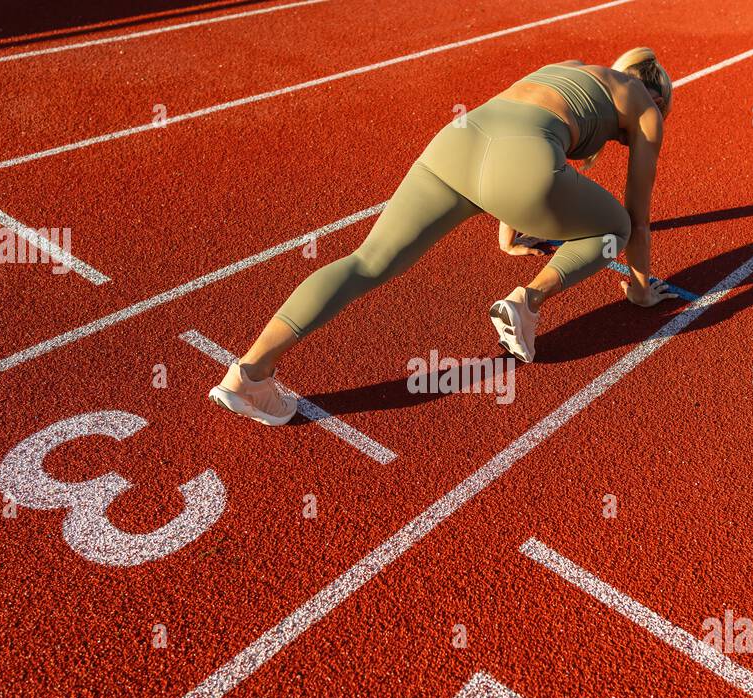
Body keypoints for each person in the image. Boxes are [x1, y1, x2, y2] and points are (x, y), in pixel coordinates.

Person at [210, 47, 678, 425]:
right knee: (613, 226)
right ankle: (528, 301)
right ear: (658, 99)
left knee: (367, 261)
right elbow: (636, 220)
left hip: (457, 140)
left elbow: (515, 130)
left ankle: (250, 372)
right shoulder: (645, 110)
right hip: (521, 167)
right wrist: (639, 291)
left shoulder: (571, 67)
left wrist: (510, 232)